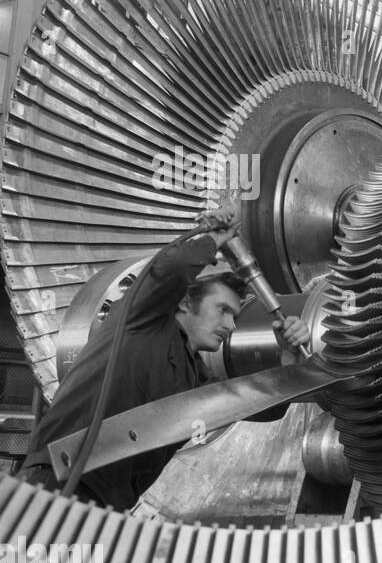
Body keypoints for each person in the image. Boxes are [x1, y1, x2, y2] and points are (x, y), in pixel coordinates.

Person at [19, 206, 310, 509]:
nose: (231, 325)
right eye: (222, 309)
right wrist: (214, 239)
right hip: (57, 483)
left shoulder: (194, 381)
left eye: (234, 316)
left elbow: (258, 406)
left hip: (106, 506)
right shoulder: (142, 320)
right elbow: (172, 269)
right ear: (184, 300)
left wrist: (288, 357)